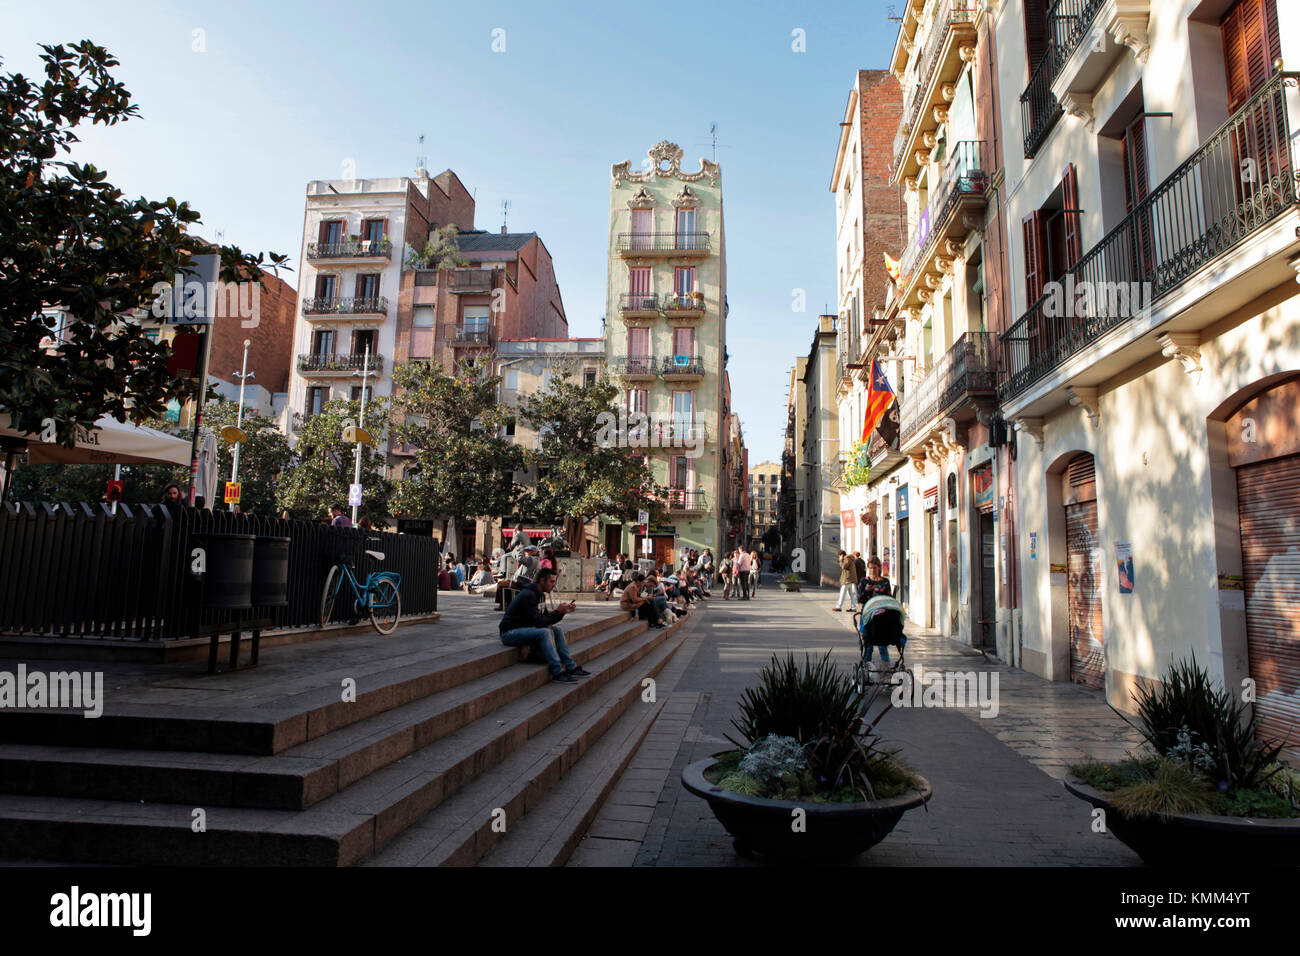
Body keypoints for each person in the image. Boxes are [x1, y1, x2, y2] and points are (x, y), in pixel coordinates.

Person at [499, 567, 589, 683]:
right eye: (551, 582)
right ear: (542, 581)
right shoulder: (529, 595)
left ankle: (571, 667)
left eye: (554, 582)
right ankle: (557, 672)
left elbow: (545, 619)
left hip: (525, 629)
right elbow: (539, 622)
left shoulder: (540, 594)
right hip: (509, 632)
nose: (554, 585)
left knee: (557, 630)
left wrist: (562, 612)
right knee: (544, 632)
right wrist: (558, 612)